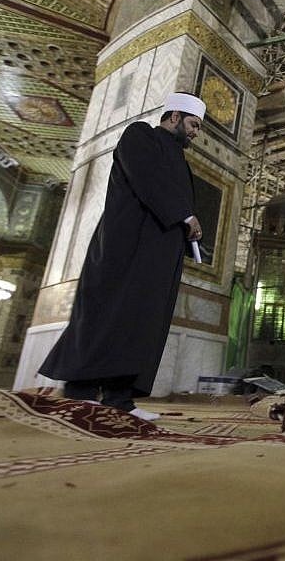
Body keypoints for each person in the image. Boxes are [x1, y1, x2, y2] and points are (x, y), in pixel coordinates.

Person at [38, 92, 206, 420]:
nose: (197, 132)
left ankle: (119, 399)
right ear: (174, 117)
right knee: (105, 315)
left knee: (140, 324)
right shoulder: (140, 135)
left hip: (157, 260)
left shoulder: (182, 163)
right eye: (193, 124)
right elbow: (147, 178)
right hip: (124, 249)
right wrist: (185, 216)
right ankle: (81, 393)